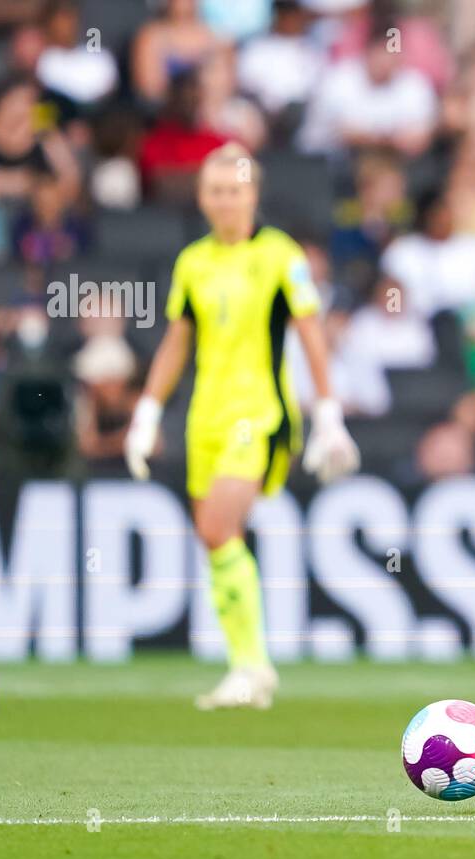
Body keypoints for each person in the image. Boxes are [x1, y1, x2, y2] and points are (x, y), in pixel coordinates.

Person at [123, 143, 360, 710]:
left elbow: (309, 332)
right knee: (216, 540)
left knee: (215, 527)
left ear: (253, 194)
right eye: (215, 191)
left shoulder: (281, 256)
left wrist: (327, 411)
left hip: (261, 413)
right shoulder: (192, 263)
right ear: (202, 197)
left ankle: (251, 664)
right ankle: (248, 667)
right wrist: (148, 411)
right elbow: (178, 341)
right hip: (204, 417)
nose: (225, 201)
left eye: (235, 190)